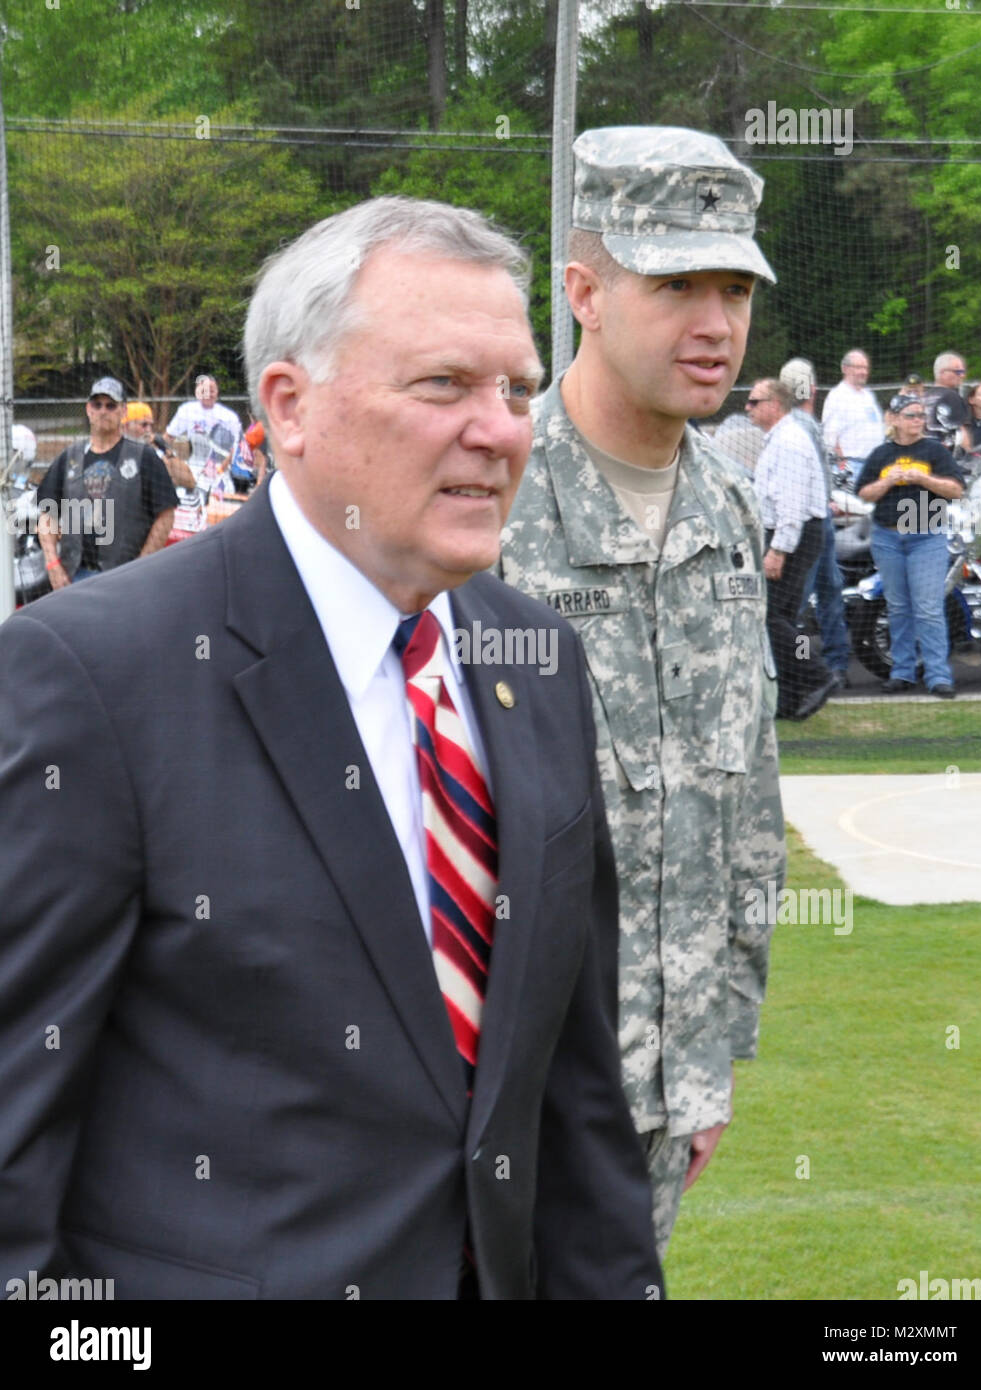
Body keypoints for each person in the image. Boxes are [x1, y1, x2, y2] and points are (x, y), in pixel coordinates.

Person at [0, 197, 662, 1301]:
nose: (499, 429)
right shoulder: (92, 676)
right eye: (444, 384)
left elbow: (573, 1098)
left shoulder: (535, 659)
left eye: (518, 389)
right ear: (289, 408)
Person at [500, 126, 787, 1253]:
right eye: (673, 284)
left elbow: (743, 801)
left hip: (667, 1094)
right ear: (582, 291)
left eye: (732, 286)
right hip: (502, 1091)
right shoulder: (485, 501)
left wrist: (709, 1055)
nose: (714, 325)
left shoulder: (725, 507)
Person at [857, 394, 965, 697]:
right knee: (898, 608)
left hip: (927, 536)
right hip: (888, 537)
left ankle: (938, 677)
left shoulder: (934, 451)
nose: (918, 421)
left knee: (928, 608)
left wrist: (924, 478)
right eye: (911, 415)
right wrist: (887, 481)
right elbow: (864, 493)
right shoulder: (881, 454)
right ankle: (902, 673)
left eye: (920, 416)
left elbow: (956, 490)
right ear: (894, 419)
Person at [750, 379, 840, 720]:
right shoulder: (780, 440)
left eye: (755, 401)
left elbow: (792, 504)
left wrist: (778, 549)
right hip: (794, 535)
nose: (749, 407)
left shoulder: (788, 443)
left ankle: (816, 673)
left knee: (767, 616)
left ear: (775, 404)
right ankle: (791, 695)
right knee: (786, 619)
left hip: (793, 536)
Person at [35, 376, 177, 588]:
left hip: (124, 578)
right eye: (97, 404)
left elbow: (166, 515)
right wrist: (53, 564)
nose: (103, 410)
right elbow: (47, 514)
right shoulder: (69, 457)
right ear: (88, 409)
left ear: (123, 411)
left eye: (111, 405)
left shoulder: (144, 457)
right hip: (74, 575)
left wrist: (142, 565)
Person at [780, 357, 851, 686]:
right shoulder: (801, 425)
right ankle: (814, 666)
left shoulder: (792, 423)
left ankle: (818, 665)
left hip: (814, 520)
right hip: (811, 524)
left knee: (822, 593)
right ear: (811, 388)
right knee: (815, 597)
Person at [166, 373, 244, 499]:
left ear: (217, 392)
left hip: (220, 471)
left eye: (211, 390)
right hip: (193, 470)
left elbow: (238, 445)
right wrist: (170, 459)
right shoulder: (187, 410)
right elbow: (169, 436)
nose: (208, 394)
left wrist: (221, 469)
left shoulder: (228, 416)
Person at [821, 348, 885, 487]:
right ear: (845, 368)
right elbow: (830, 437)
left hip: (874, 466)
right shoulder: (837, 396)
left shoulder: (869, 395)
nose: (864, 372)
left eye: (866, 368)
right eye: (858, 367)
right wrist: (843, 468)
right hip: (852, 467)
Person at [923, 351, 969, 452]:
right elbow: (962, 434)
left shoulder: (923, 397)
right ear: (943, 373)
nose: (962, 376)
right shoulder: (952, 397)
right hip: (943, 457)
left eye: (963, 372)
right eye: (958, 372)